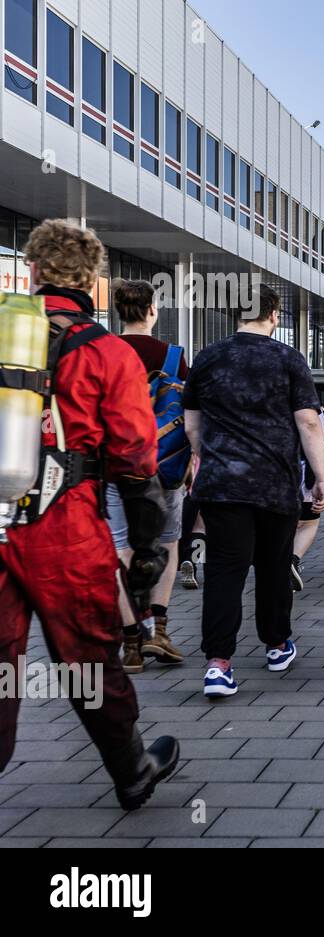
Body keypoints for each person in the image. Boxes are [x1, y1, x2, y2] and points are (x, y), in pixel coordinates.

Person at [1, 220, 178, 808]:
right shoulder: (106, 352)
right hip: (66, 523)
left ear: (31, 271)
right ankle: (131, 771)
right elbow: (134, 459)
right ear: (92, 283)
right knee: (89, 657)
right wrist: (148, 550)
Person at [183, 284, 324, 698]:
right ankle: (278, 643)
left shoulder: (208, 357)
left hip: (222, 484)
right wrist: (320, 477)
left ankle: (218, 664)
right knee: (273, 565)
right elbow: (309, 423)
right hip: (274, 484)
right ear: (275, 314)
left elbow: (192, 425)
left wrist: (205, 457)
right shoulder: (288, 359)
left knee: (225, 571)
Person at [104, 279, 188, 670]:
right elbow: (191, 417)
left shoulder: (101, 352)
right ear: (152, 310)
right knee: (168, 544)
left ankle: (131, 644)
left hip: (114, 468)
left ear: (119, 311)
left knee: (122, 550)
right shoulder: (173, 356)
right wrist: (191, 463)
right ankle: (160, 629)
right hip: (164, 467)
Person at [289, 409, 324, 591]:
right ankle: (292, 559)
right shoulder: (307, 401)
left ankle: (282, 562)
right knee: (309, 522)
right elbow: (319, 435)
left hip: (269, 470)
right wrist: (322, 478)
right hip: (304, 468)